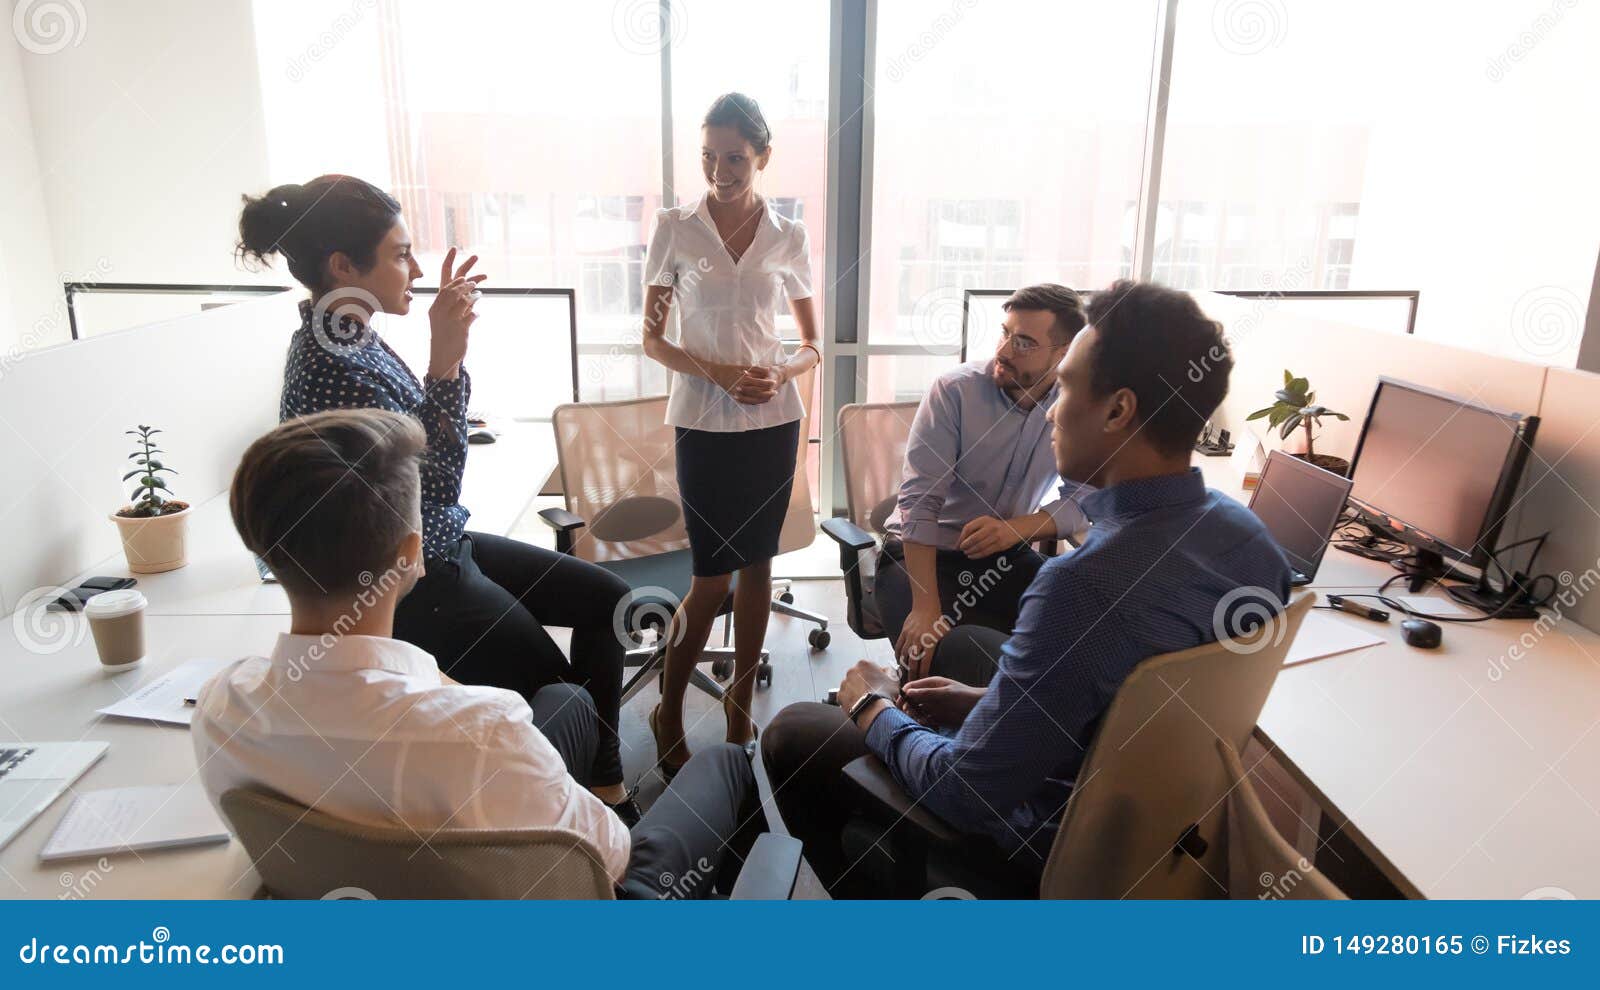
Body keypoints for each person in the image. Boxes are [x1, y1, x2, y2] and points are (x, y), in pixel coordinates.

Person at [761, 280, 1294, 896]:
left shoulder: (1079, 587)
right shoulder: (1253, 544)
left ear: (1118, 411)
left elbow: (964, 792)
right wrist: (991, 700)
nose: (1051, 409)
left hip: (1041, 851)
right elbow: (1142, 706)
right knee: (964, 663)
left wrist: (871, 705)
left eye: (1065, 386)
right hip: (1152, 841)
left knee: (791, 734)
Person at [193, 409, 760, 899]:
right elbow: (611, 856)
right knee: (728, 765)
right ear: (412, 553)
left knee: (568, 702)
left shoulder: (221, 708)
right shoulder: (484, 729)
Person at [236, 175, 637, 820]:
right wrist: (446, 362)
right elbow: (426, 490)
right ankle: (568, 813)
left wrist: (441, 368)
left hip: (444, 541)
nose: (416, 268)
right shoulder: (335, 363)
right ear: (344, 265)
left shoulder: (344, 334)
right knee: (562, 695)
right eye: (399, 254)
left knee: (609, 603)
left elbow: (418, 455)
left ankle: (603, 782)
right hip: (414, 576)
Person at [639, 93, 822, 776]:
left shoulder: (788, 235)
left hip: (773, 421)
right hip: (703, 421)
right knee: (710, 579)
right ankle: (668, 708)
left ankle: (741, 708)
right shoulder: (676, 228)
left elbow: (812, 345)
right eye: (710, 156)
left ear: (763, 157)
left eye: (736, 158)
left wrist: (781, 373)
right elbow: (653, 340)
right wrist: (712, 369)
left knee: (758, 569)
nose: (721, 169)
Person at [878, 283, 1091, 676]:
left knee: (1081, 636)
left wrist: (1017, 529)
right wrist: (926, 606)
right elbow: (919, 503)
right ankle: (910, 729)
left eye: (1025, 343)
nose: (1004, 351)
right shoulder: (954, 392)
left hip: (1004, 557)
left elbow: (1086, 500)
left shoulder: (1076, 404)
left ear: (1063, 353)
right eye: (1005, 333)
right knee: (946, 661)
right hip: (924, 561)